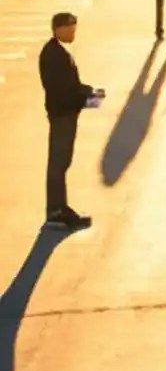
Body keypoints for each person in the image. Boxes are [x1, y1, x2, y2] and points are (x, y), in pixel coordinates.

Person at [38, 13, 100, 230]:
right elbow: (64, 90)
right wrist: (86, 96)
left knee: (62, 162)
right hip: (62, 114)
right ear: (59, 29)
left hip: (64, 113)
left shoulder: (57, 52)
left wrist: (89, 92)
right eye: (71, 29)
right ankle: (55, 211)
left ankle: (60, 208)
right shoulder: (54, 55)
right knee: (58, 162)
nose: (74, 33)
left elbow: (69, 85)